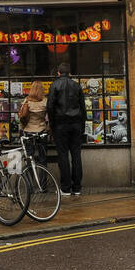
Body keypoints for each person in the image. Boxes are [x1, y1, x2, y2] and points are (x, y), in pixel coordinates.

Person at [46, 63, 86, 195]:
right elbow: (83, 107)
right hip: (76, 124)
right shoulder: (77, 85)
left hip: (60, 125)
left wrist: (52, 124)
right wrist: (83, 125)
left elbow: (50, 107)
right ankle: (77, 187)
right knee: (76, 155)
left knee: (63, 156)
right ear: (69, 73)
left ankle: (65, 188)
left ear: (58, 73)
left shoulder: (55, 85)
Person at [17, 81, 50, 168]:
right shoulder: (45, 101)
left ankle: (30, 180)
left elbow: (21, 116)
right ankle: (43, 181)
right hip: (41, 130)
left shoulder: (27, 101)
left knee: (29, 158)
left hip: (28, 131)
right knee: (43, 158)